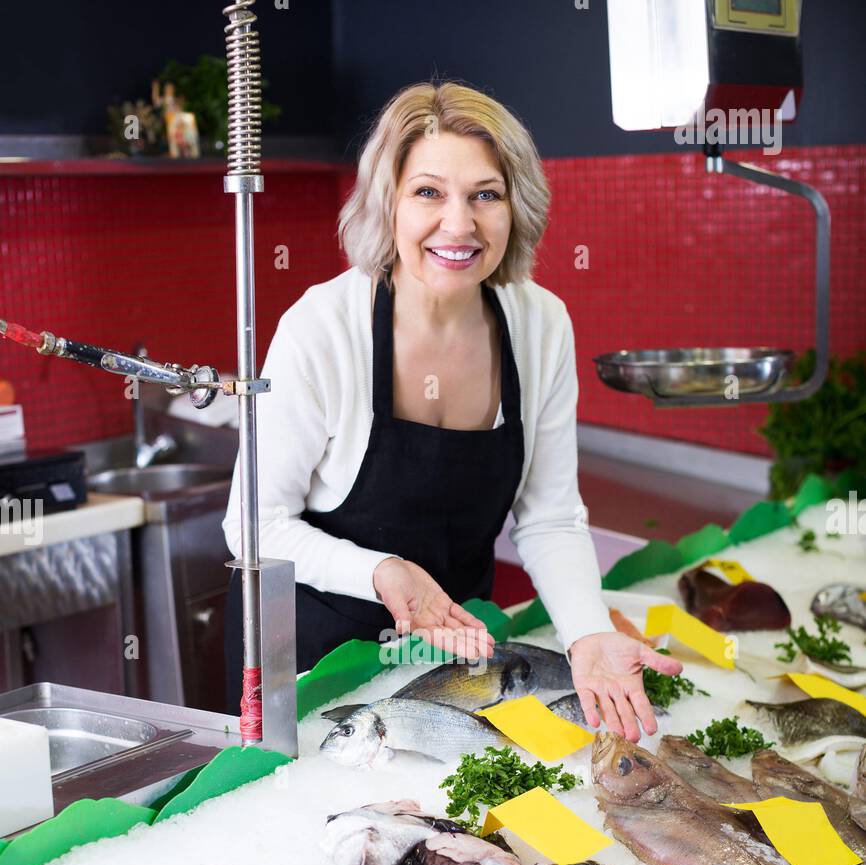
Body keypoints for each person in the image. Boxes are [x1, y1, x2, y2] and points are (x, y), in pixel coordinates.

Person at [223, 80, 681, 738]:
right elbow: (250, 524)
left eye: (485, 195)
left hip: (457, 668)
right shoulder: (323, 328)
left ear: (515, 206)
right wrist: (380, 570)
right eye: (429, 192)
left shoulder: (541, 323)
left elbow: (550, 518)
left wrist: (588, 634)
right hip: (319, 674)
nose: (459, 224)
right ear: (389, 204)